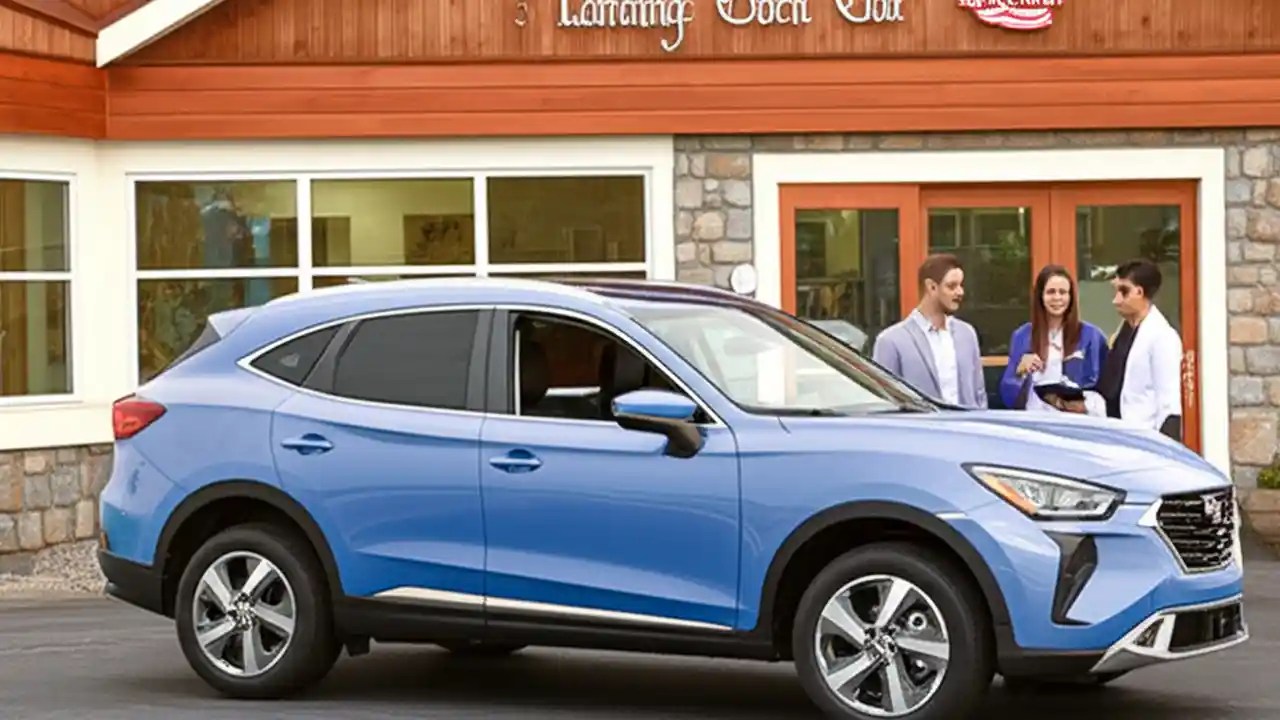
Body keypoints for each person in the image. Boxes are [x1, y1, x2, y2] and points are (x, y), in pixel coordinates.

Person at [873, 253, 987, 409]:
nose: (960, 292)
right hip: (922, 430)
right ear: (931, 287)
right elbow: (884, 401)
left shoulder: (966, 334)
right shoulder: (891, 341)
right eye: (952, 286)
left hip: (966, 429)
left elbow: (979, 394)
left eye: (961, 285)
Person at [998, 265, 1110, 414]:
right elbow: (1007, 397)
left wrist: (1084, 405)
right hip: (1036, 422)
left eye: (1063, 292)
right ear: (1041, 296)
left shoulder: (1092, 337)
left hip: (1078, 424)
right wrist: (1020, 373)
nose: (1057, 298)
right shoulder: (1023, 336)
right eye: (1051, 292)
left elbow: (1106, 392)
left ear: (1071, 297)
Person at [1094, 258, 1185, 441]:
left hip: (1144, 440)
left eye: (1123, 291)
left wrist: (1166, 451)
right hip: (1115, 435)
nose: (1116, 300)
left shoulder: (1162, 337)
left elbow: (1169, 404)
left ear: (1139, 292)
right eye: (1116, 291)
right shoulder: (1124, 333)